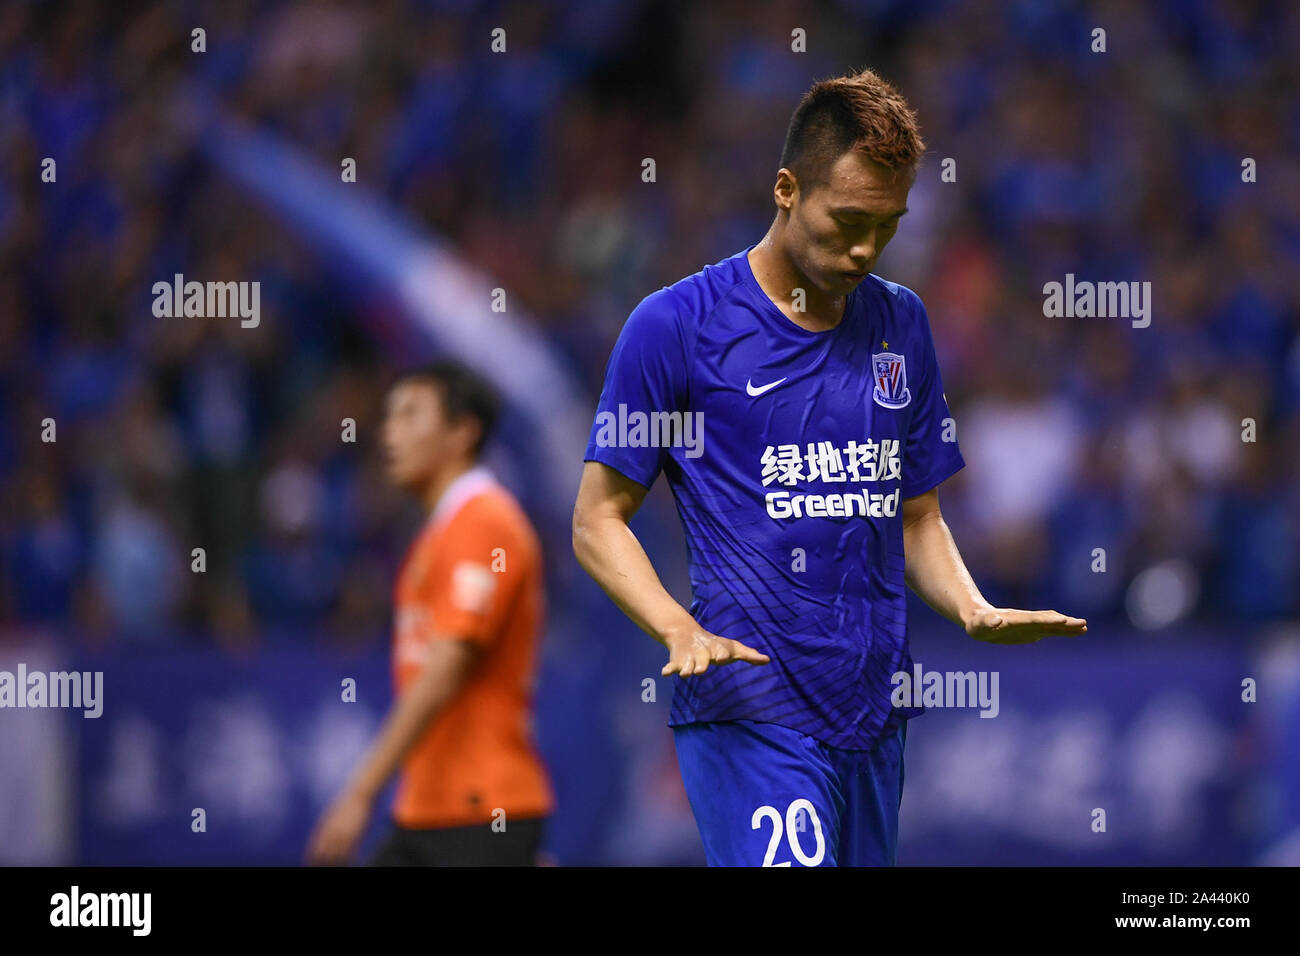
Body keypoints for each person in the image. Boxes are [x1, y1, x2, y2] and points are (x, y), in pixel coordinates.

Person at [572, 68, 1086, 866]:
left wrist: (973, 607)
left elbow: (918, 518)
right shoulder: (675, 327)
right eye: (847, 220)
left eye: (887, 227)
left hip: (874, 712)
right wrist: (675, 624)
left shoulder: (902, 324)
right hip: (751, 706)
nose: (863, 248)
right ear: (786, 188)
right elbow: (597, 519)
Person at [307, 361, 553, 866]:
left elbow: (444, 670)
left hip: (480, 811)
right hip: (431, 809)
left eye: (410, 415)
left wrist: (359, 792)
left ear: (463, 433)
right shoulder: (438, 534)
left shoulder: (484, 523)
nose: (388, 434)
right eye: (389, 417)